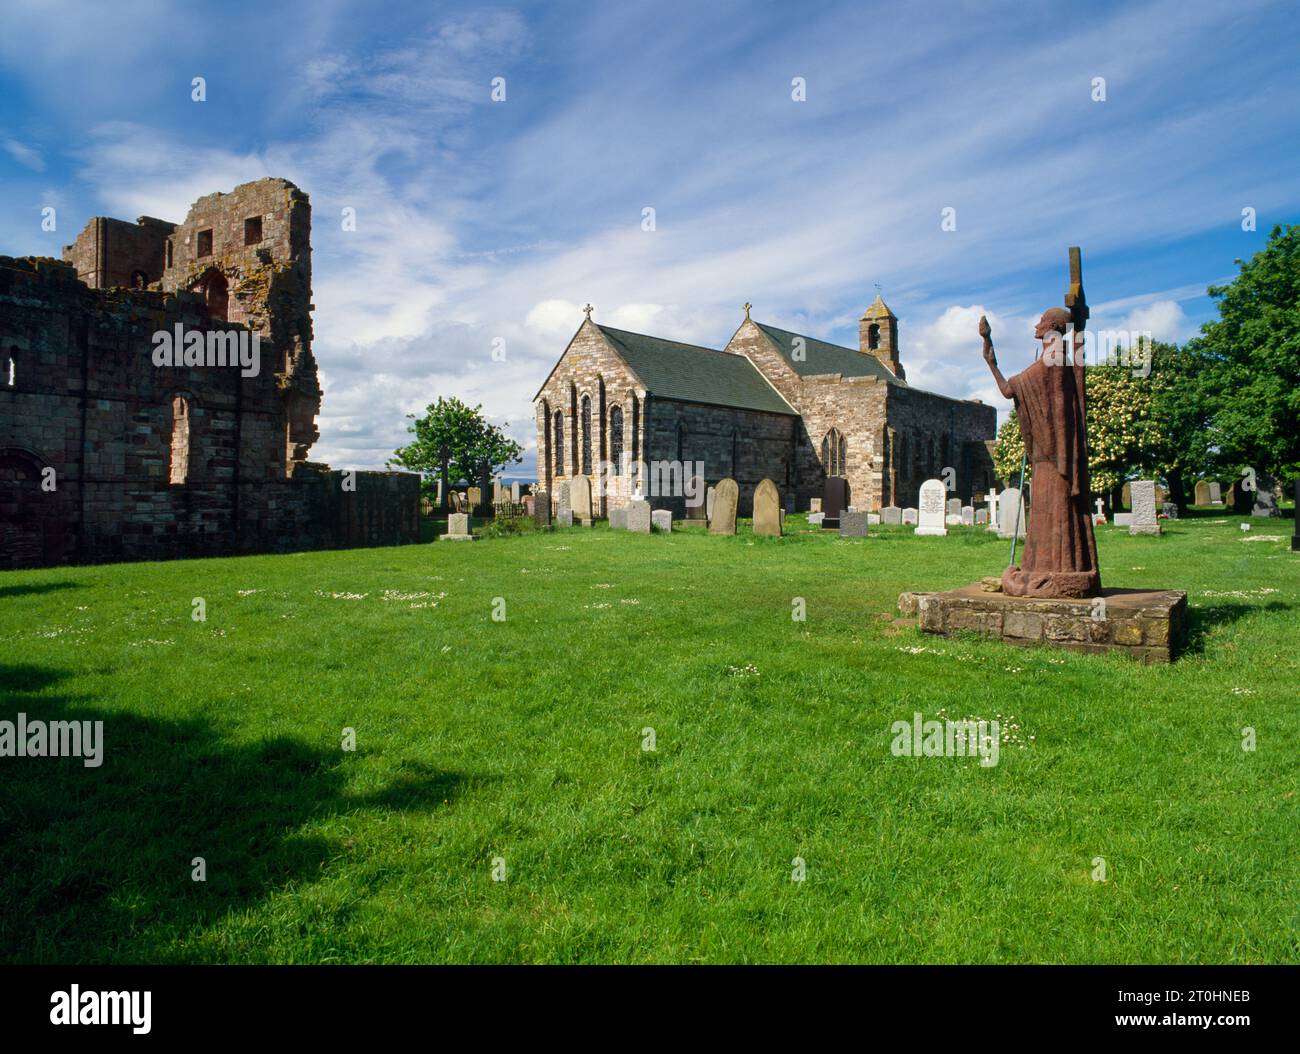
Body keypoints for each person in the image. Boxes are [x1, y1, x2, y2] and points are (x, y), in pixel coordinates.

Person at [980, 309, 1100, 598]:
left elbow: (1010, 390)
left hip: (1052, 462)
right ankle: (1056, 569)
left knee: (1051, 514)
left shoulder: (1052, 359)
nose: (1037, 324)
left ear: (1054, 326)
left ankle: (1053, 574)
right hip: (1055, 459)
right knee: (1048, 517)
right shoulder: (1060, 356)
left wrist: (989, 358)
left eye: (1042, 321)